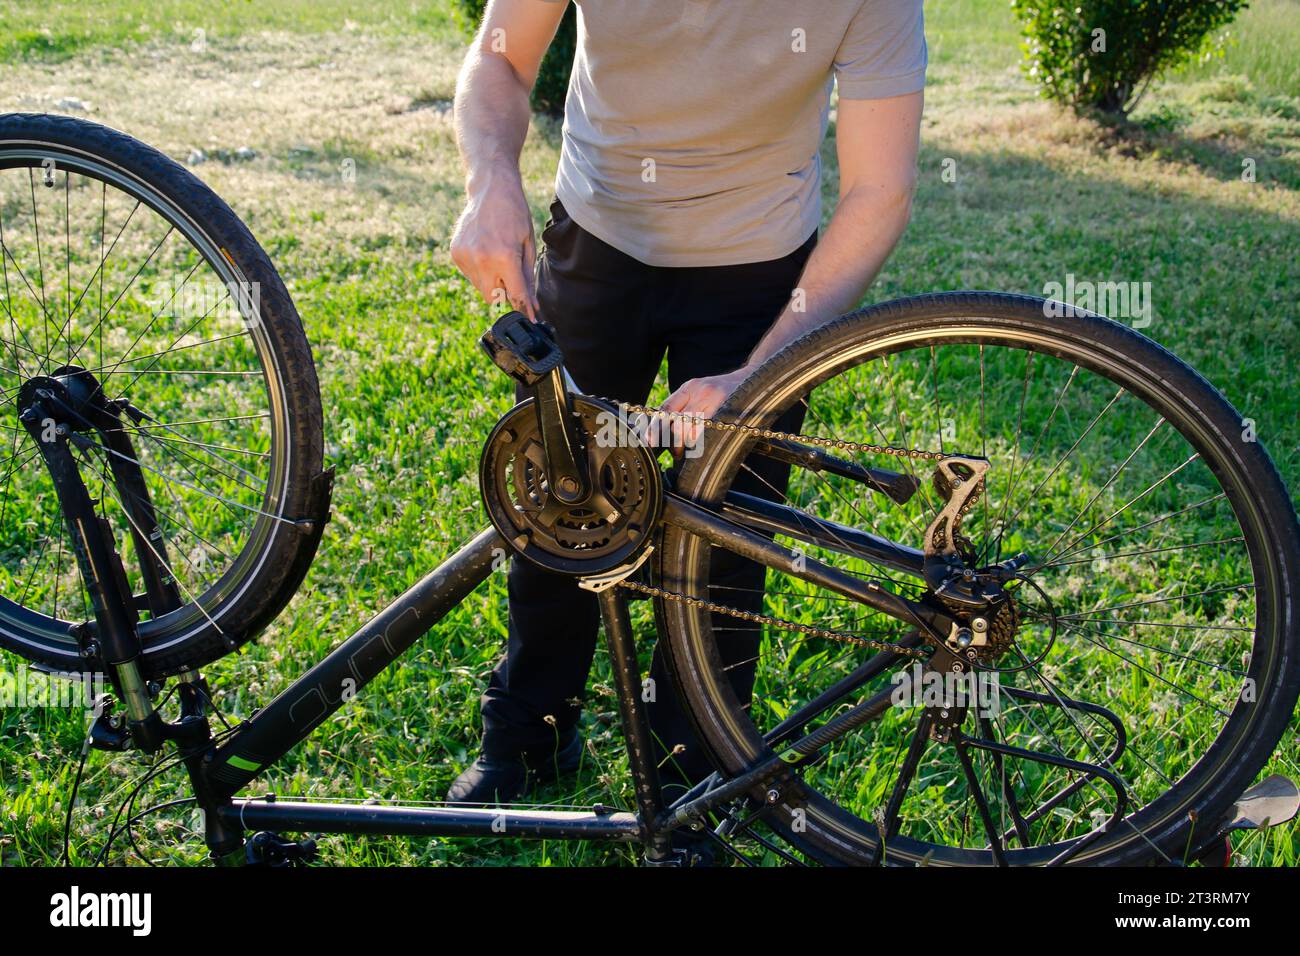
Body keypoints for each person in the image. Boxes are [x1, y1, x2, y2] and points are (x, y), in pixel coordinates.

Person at [446, 0, 926, 806]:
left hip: (762, 271)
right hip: (597, 237)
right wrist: (490, 181)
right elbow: (500, 58)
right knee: (564, 495)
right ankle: (532, 726)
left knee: (727, 537)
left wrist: (754, 376)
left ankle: (696, 756)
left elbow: (879, 191)